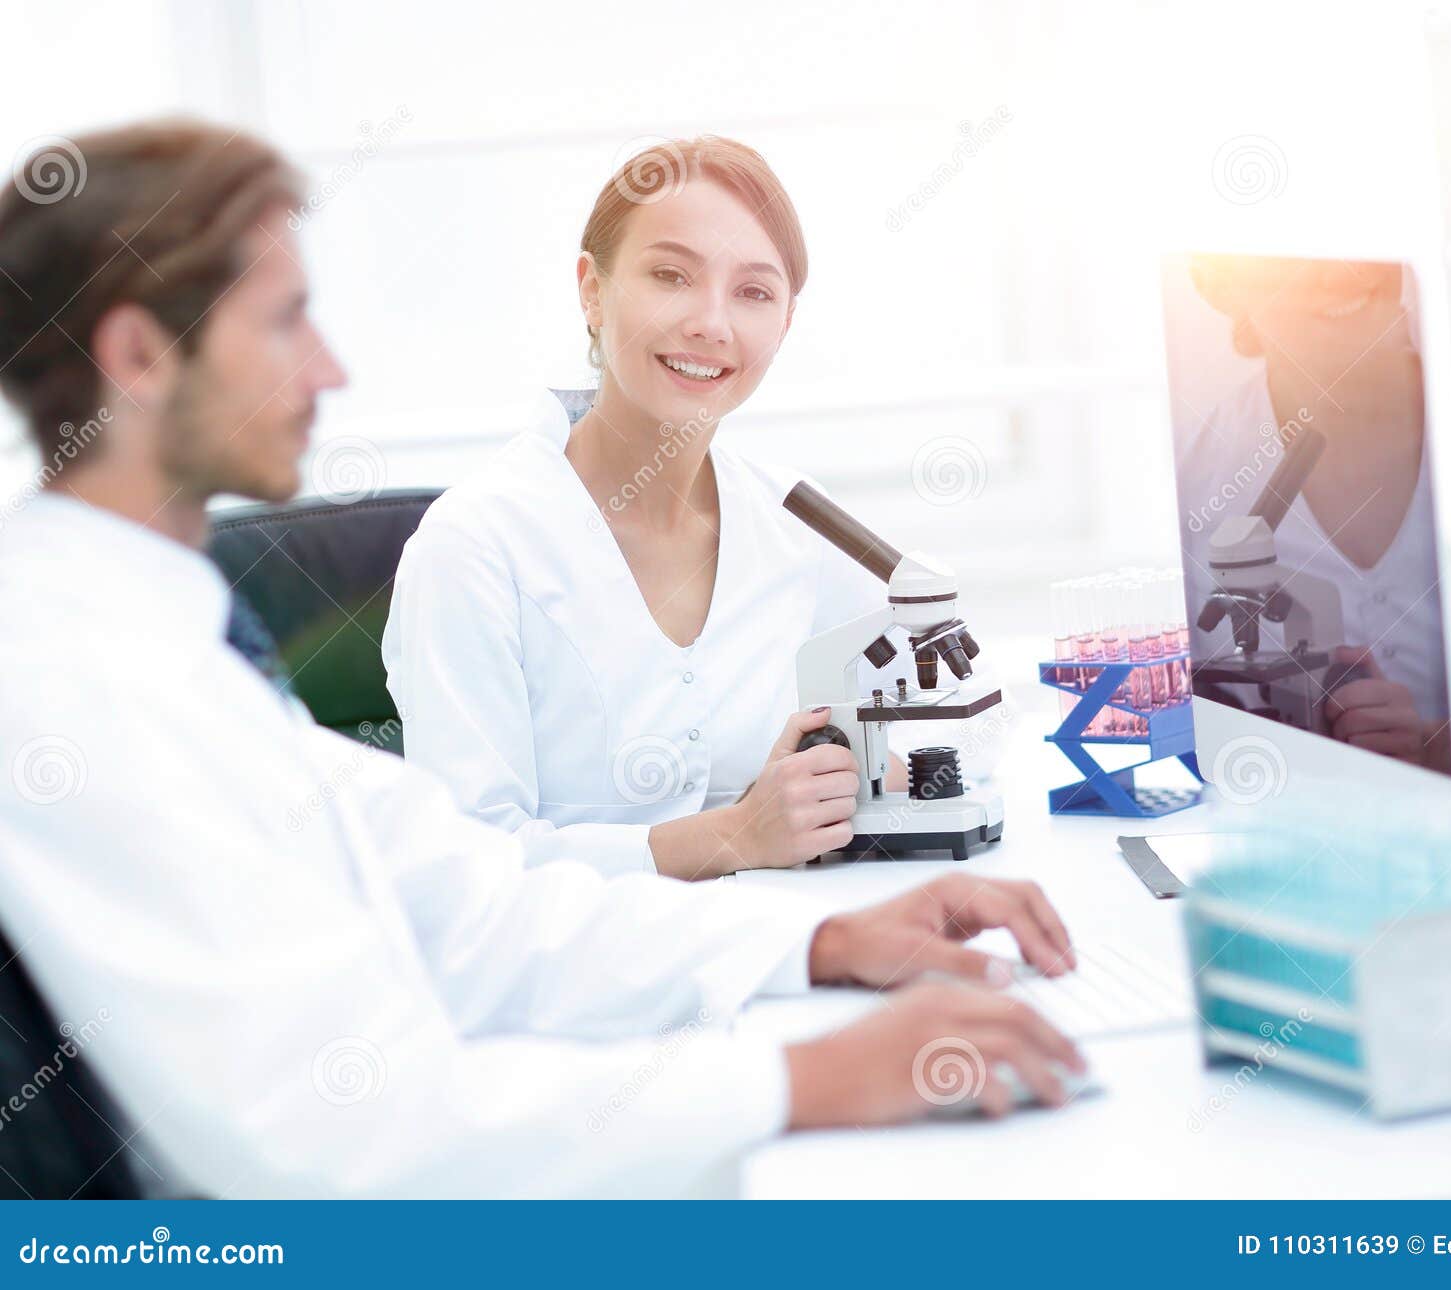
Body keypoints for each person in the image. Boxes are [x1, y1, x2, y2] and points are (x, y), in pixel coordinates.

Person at [0, 121, 1083, 1199]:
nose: (331, 368)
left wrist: (823, 945)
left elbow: (479, 909)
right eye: (286, 320)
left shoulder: (170, 641)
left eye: (754, 291)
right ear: (139, 357)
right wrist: (805, 1079)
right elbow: (328, 1138)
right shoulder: (75, 685)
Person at [383, 137, 920, 882]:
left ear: (786, 323)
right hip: (580, 956)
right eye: (671, 276)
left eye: (754, 293)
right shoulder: (473, 546)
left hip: (789, 936)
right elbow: (470, 865)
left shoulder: (799, 522)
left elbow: (969, 717)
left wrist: (874, 770)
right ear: (592, 291)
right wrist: (733, 836)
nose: (712, 323)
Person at [1173, 255, 1451, 773]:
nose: (1344, 273)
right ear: (1224, 283)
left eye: (1361, 242)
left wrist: (1438, 748)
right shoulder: (1187, 475)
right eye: (1296, 258)